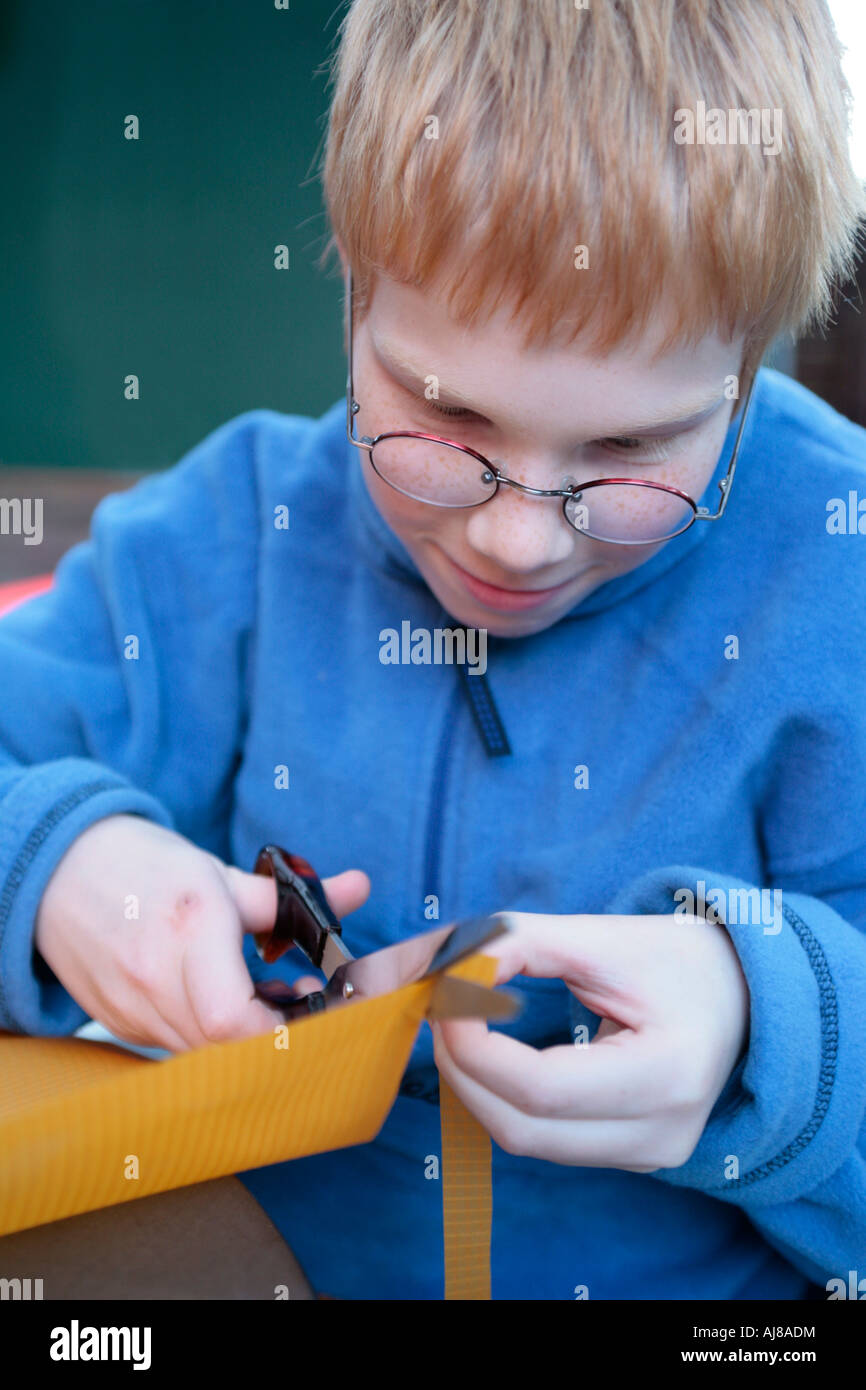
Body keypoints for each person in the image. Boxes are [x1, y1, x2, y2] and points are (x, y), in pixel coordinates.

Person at [1, 0, 865, 1300]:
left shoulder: (834, 568)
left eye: (626, 452)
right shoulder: (233, 537)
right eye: (445, 414)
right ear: (352, 283)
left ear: (745, 365)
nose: (518, 539)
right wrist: (55, 859)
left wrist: (769, 1018)